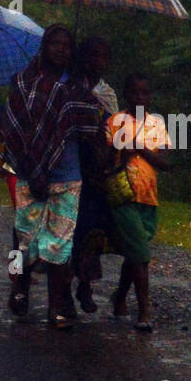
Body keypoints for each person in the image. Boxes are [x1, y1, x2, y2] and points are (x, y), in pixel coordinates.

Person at [1, 24, 103, 329]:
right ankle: (19, 288)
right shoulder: (23, 82)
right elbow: (12, 128)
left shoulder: (77, 87)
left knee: (60, 243)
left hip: (67, 173)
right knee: (25, 240)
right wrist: (33, 171)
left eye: (67, 45)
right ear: (45, 46)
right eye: (56, 43)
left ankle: (57, 306)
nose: (61, 49)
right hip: (28, 172)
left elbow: (90, 128)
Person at [107, 74, 172, 331]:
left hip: (149, 196)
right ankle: (144, 310)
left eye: (145, 93)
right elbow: (107, 157)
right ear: (126, 95)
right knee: (141, 256)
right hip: (123, 195)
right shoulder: (115, 122)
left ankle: (120, 297)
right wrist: (122, 150)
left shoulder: (156, 124)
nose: (140, 98)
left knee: (135, 252)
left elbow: (165, 162)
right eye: (135, 93)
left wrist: (140, 148)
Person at [71, 37, 118, 314]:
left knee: (92, 233)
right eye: (92, 55)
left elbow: (115, 128)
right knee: (70, 231)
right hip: (73, 164)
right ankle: (63, 288)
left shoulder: (106, 93)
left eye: (102, 57)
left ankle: (85, 285)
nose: (97, 62)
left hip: (97, 170)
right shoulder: (70, 87)